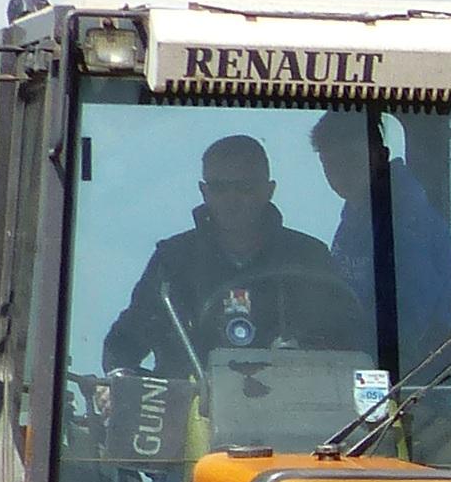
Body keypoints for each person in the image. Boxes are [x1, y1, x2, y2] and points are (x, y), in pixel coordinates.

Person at [100, 132, 363, 375]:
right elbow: (124, 343)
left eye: (244, 188)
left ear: (268, 190)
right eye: (219, 188)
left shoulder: (308, 258)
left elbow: (345, 347)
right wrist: (118, 384)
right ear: (204, 192)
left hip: (292, 419)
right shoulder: (173, 262)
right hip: (186, 417)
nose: (232, 199)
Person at [307, 108, 451, 376]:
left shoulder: (405, 223)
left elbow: (409, 326)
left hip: (410, 382)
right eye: (330, 165)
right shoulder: (357, 216)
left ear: (379, 156)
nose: (340, 174)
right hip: (362, 366)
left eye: (351, 160)